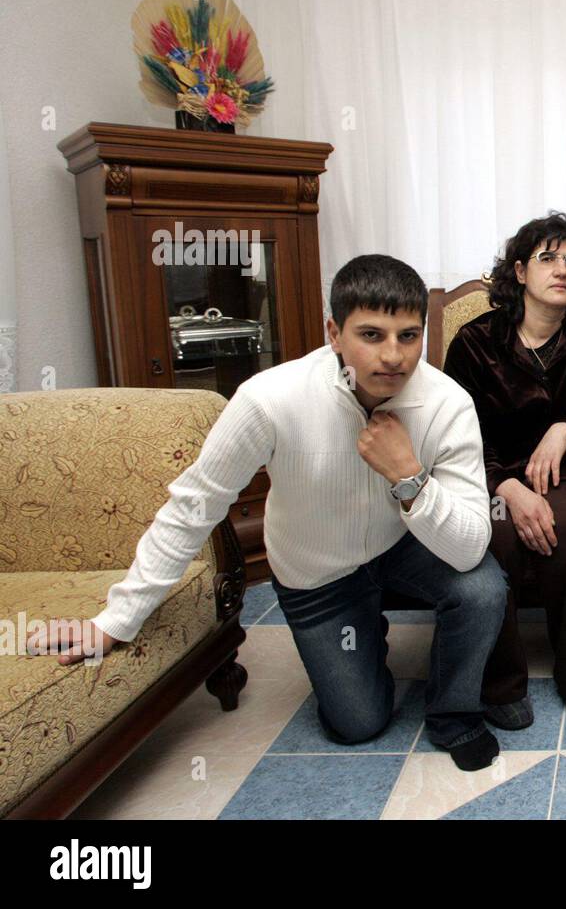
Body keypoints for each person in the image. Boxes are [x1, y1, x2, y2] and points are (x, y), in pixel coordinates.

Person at [28, 254, 508, 772]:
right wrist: (115, 620)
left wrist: (409, 478)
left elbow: (468, 546)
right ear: (334, 333)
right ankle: (358, 639)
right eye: (371, 334)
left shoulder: (448, 404)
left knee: (482, 587)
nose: (393, 356)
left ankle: (452, 712)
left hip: (399, 546)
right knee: (360, 724)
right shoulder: (268, 399)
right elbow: (194, 507)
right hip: (317, 573)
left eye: (408, 336)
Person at [443, 212, 566, 728]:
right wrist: (504, 484)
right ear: (520, 271)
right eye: (548, 258)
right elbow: (453, 433)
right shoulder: (474, 342)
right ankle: (502, 680)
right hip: (489, 471)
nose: (562, 269)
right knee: (498, 534)